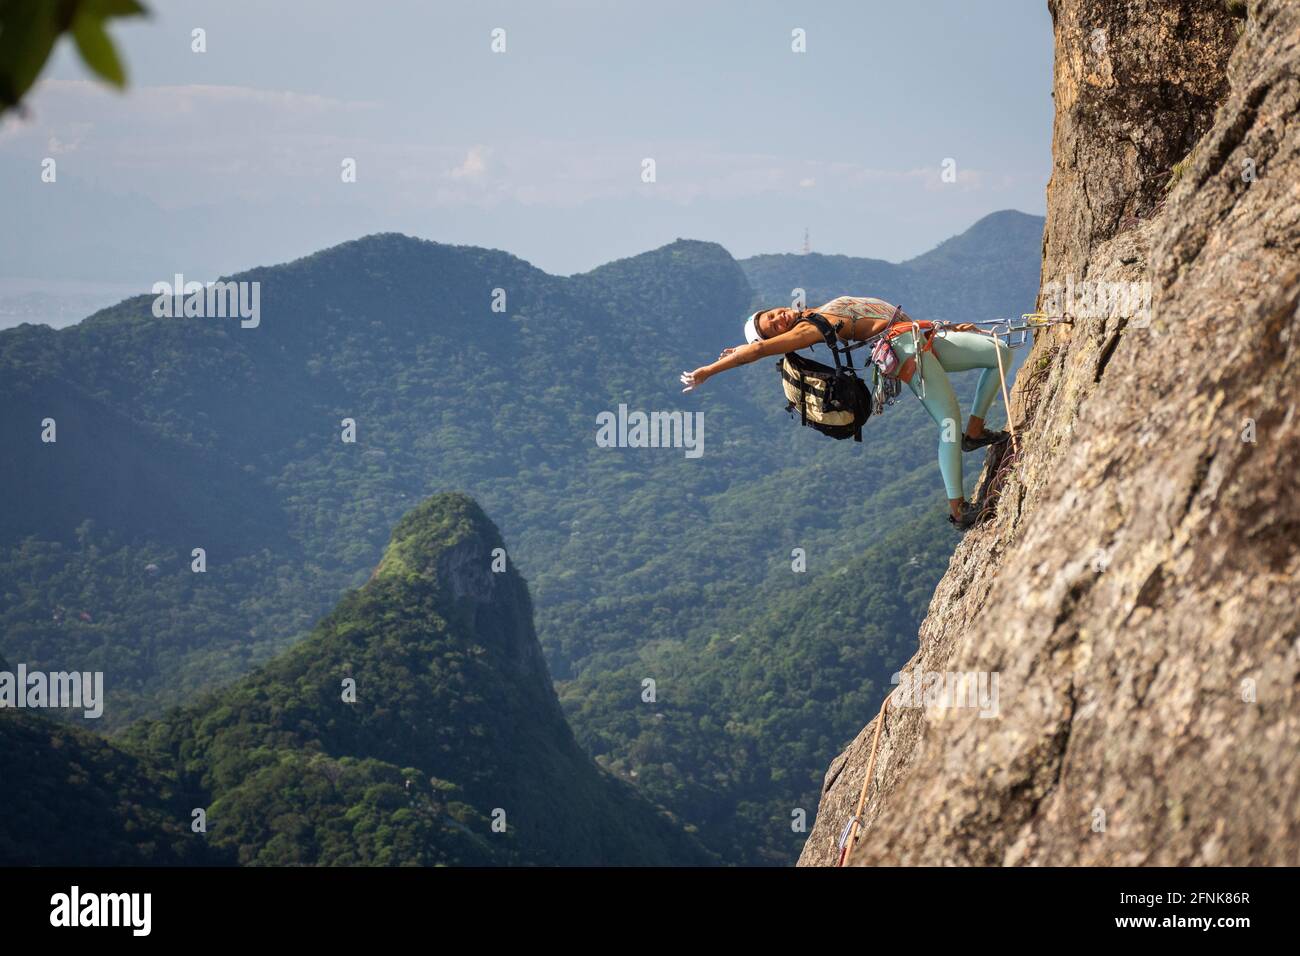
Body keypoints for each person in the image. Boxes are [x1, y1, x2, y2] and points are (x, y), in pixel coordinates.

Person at [679, 296, 1011, 529]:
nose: (778, 319)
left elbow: (758, 345)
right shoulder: (807, 331)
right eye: (772, 327)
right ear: (782, 338)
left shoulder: (816, 313)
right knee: (947, 422)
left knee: (1000, 352)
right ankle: (958, 510)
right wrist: (709, 370)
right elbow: (759, 351)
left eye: (772, 315)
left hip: (920, 336)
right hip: (905, 350)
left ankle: (975, 432)